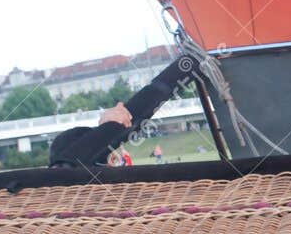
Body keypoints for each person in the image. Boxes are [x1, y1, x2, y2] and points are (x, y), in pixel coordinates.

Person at [50, 55, 191, 169]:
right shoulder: (69, 174)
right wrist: (109, 128)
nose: (112, 165)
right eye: (105, 160)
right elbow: (137, 112)